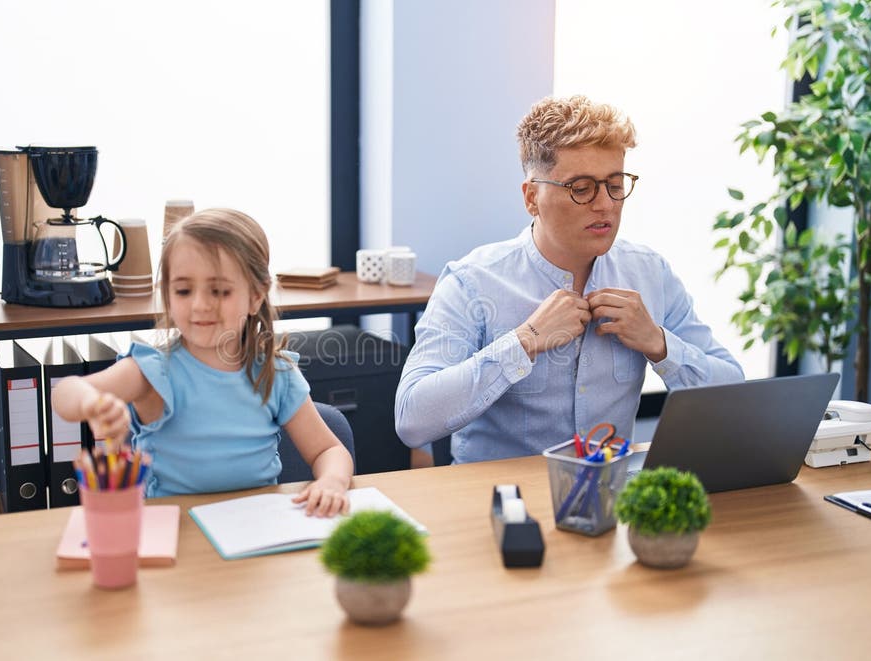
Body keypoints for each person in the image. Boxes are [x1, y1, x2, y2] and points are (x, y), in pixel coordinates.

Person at [395, 95, 744, 463]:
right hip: (498, 501)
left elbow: (734, 398)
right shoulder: (471, 282)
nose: (606, 204)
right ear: (532, 197)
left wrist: (659, 343)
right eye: (581, 188)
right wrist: (524, 341)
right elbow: (412, 420)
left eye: (615, 183)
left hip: (607, 498)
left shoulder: (649, 273)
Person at [53, 208, 353, 516]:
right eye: (183, 290)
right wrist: (91, 403)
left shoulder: (275, 374)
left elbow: (328, 450)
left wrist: (331, 481)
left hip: (254, 533)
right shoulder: (153, 372)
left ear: (256, 296)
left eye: (219, 291)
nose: (199, 305)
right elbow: (66, 393)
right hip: (175, 536)